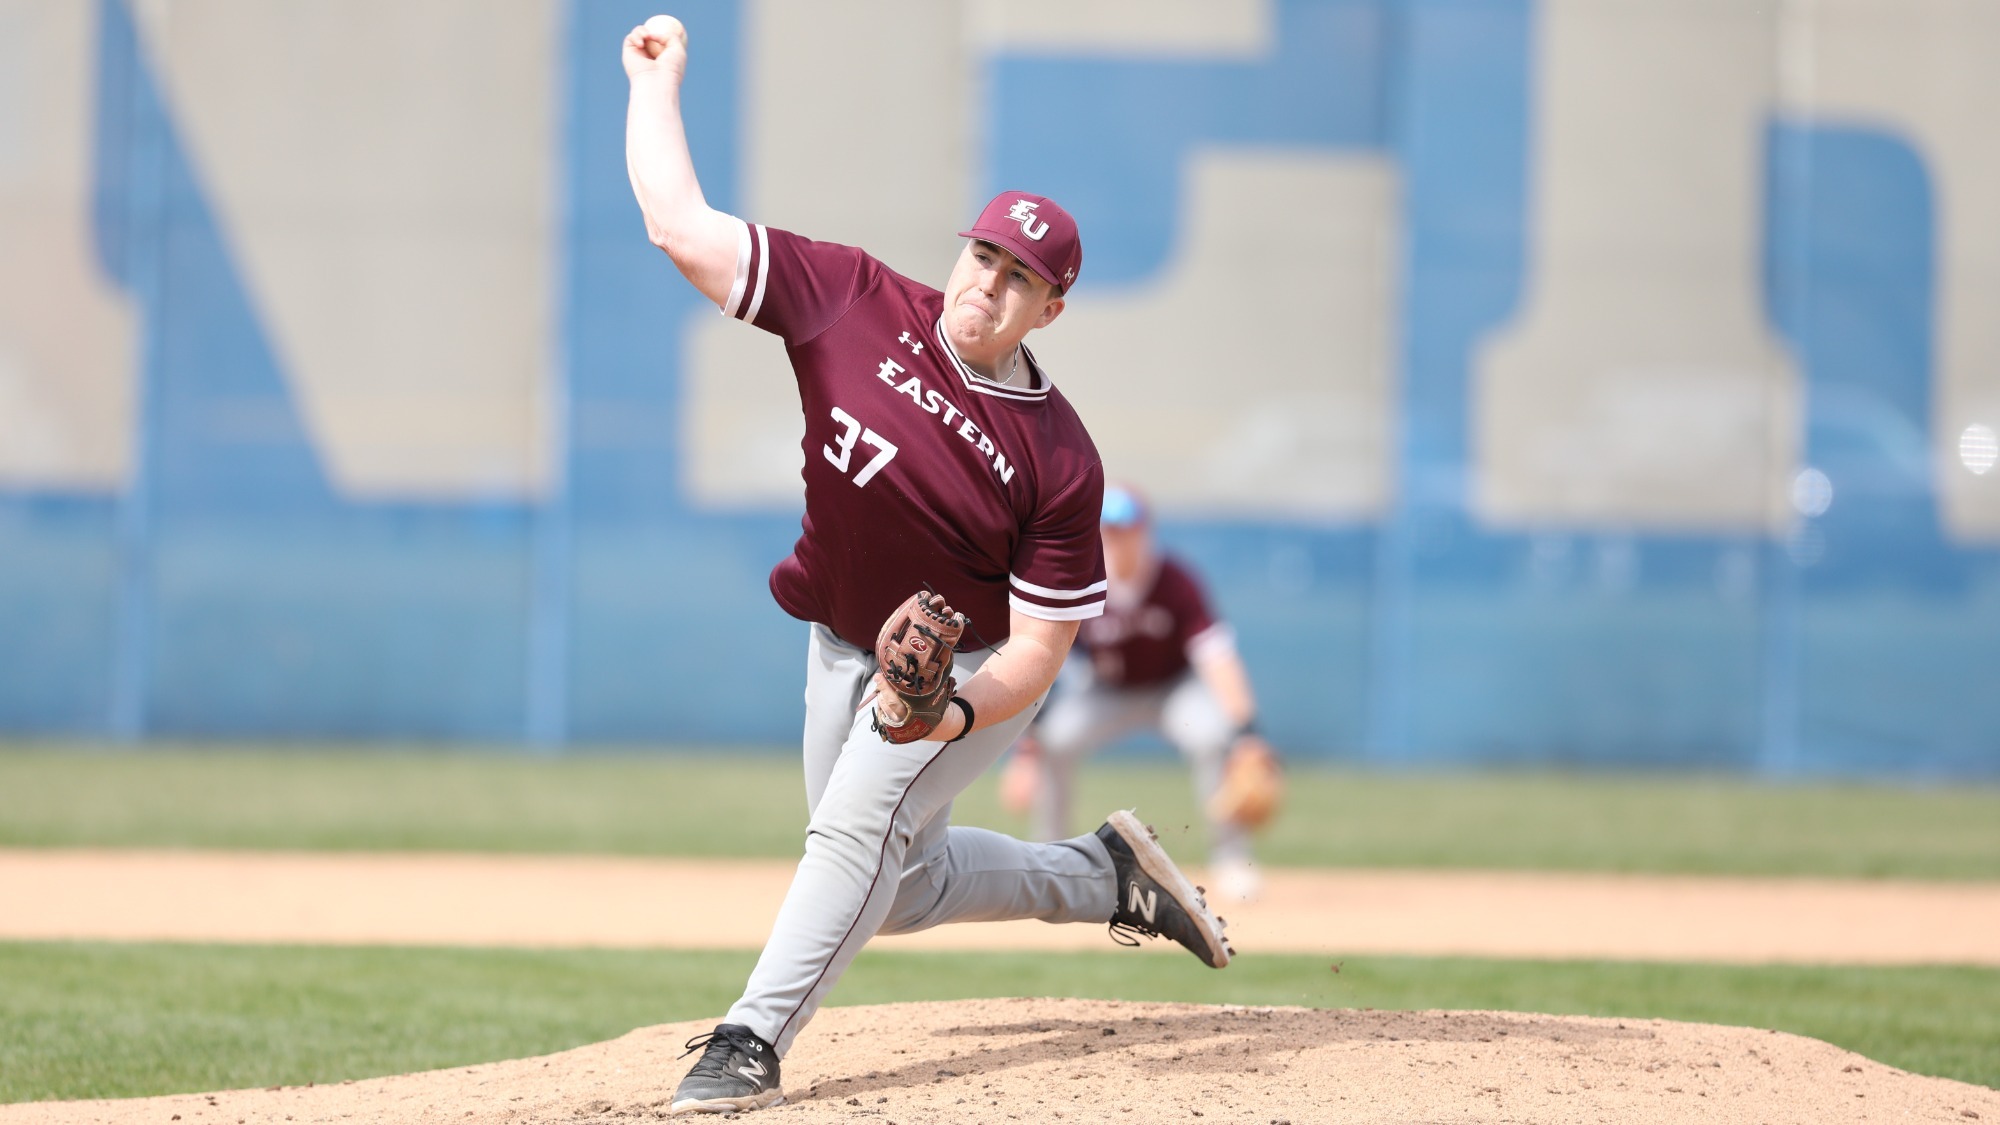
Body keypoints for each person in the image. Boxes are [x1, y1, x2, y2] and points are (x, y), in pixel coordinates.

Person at [620, 15, 1233, 1116]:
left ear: (1051, 308)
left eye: (1019, 279)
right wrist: (651, 84)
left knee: (852, 830)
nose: (988, 286)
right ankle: (1106, 877)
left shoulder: (1058, 461)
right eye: (983, 255)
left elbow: (1042, 654)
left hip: (969, 671)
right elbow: (677, 226)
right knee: (894, 888)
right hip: (835, 641)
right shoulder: (851, 300)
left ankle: (748, 1040)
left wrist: (945, 712)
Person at [1000, 483, 1283, 903]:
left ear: (1144, 531)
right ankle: (1050, 855)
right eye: (1107, 531)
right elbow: (1045, 662)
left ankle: (1232, 860)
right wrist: (1026, 751)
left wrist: (1248, 732)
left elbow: (1217, 659)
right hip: (1107, 692)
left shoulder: (1175, 581)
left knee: (1212, 736)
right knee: (1055, 740)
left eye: (1124, 530)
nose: (1115, 540)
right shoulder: (1083, 580)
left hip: (1173, 691)